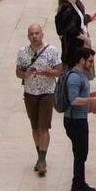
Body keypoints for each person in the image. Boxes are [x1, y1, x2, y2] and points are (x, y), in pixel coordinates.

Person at [15, 23, 61, 176]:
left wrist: (46, 72)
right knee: (35, 127)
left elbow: (58, 71)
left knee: (44, 127)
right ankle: (40, 156)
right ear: (28, 36)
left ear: (42, 34)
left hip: (46, 92)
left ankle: (42, 160)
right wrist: (25, 74)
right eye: (31, 34)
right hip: (30, 93)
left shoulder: (52, 51)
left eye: (37, 33)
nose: (34, 36)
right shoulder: (23, 52)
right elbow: (18, 72)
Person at [63, 46, 96, 191]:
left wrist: (89, 107)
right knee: (80, 153)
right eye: (90, 61)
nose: (91, 64)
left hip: (79, 118)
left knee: (81, 153)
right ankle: (78, 184)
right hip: (75, 121)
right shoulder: (74, 77)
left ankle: (78, 182)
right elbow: (73, 100)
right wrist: (91, 100)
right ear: (81, 60)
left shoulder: (81, 75)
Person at [55, 0, 96, 67]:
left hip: (81, 39)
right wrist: (86, 39)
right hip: (75, 45)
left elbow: (79, 17)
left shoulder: (75, 2)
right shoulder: (67, 9)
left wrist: (89, 17)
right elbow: (71, 29)